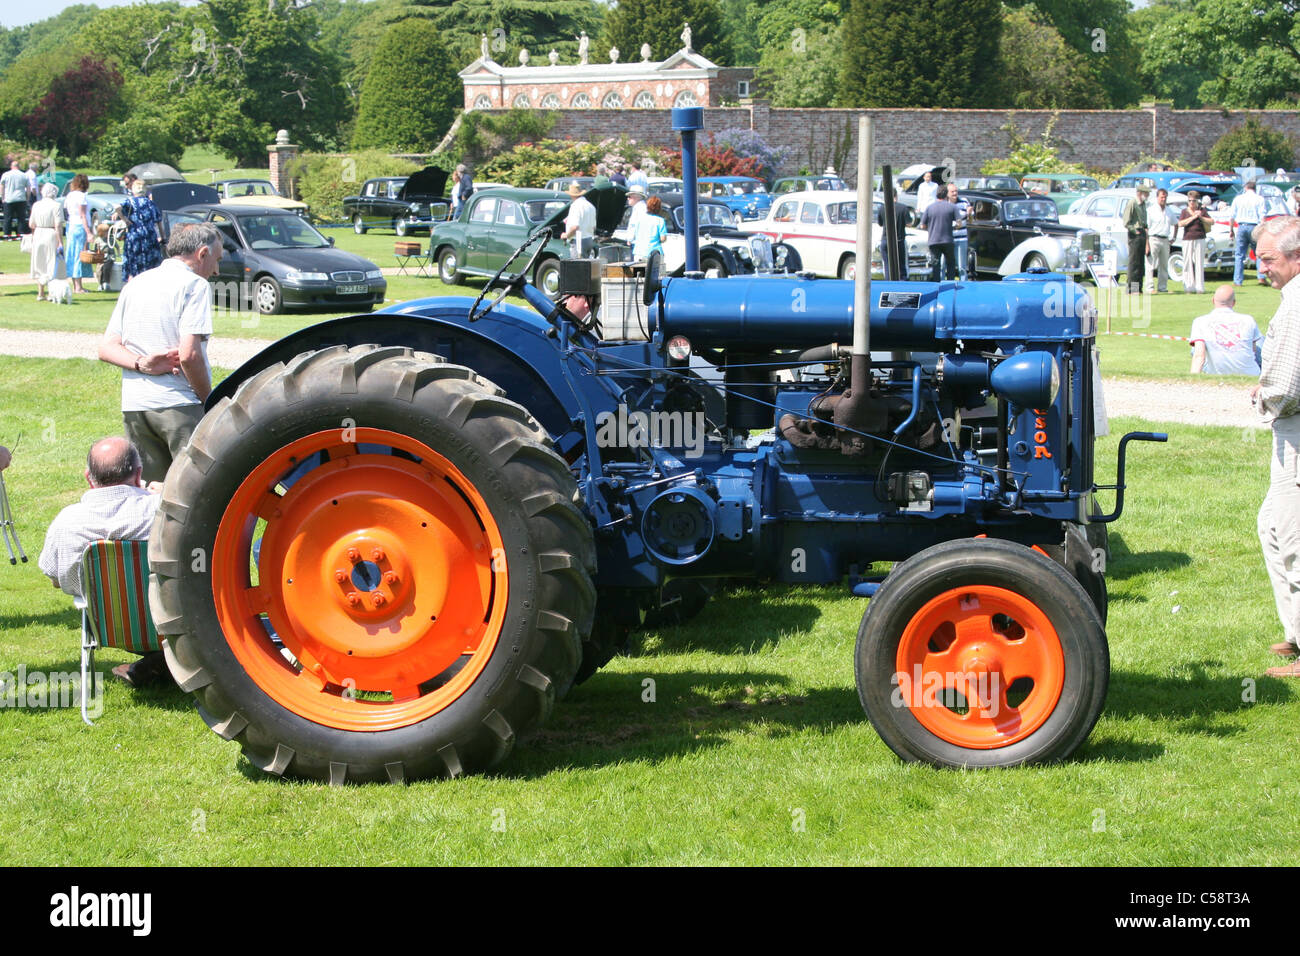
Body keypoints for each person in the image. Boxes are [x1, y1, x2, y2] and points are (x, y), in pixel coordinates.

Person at [37, 436, 169, 687]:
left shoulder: (68, 521)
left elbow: (56, 580)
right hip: (169, 622)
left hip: (108, 629)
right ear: (139, 473)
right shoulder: (162, 509)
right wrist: (170, 493)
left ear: (89, 477)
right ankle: (162, 661)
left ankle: (154, 665)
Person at [97, 223, 222, 483]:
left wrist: (141, 364)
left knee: (149, 492)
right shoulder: (195, 285)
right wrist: (208, 401)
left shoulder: (135, 284)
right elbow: (189, 355)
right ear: (202, 253)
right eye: (216, 259)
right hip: (180, 405)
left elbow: (106, 348)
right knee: (192, 490)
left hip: (136, 406)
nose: (217, 269)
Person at [1250, 216, 1300, 676]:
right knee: (1272, 525)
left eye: (1268, 258)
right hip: (1290, 432)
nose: (1261, 266)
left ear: (1295, 256)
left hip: (1296, 430)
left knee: (1293, 537)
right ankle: (1295, 632)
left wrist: (1260, 394)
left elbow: (1286, 386)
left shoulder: (1297, 302)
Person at [1189, 285, 1262, 374]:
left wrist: (1192, 380)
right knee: (1261, 341)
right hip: (1251, 372)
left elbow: (1199, 356)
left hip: (1217, 371)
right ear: (1234, 302)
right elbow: (1253, 351)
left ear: (1213, 301)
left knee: (1195, 348)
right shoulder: (1248, 320)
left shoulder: (1200, 321)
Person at [118, 179, 163, 281]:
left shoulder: (129, 201)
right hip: (149, 236)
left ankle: (132, 283)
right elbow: (159, 221)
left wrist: (125, 219)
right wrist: (162, 237)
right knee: (150, 264)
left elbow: (117, 207)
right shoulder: (150, 203)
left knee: (133, 263)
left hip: (134, 235)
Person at [27, 181, 62, 301]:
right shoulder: (56, 205)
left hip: (38, 233)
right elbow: (58, 225)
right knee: (51, 262)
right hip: (50, 233)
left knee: (39, 263)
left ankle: (40, 293)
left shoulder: (36, 205)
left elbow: (31, 224)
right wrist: (60, 241)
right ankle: (51, 293)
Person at [1230, 180, 1267, 286]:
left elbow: (1232, 216)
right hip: (1254, 226)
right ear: (1254, 188)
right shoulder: (1260, 199)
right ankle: (1261, 277)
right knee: (1258, 253)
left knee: (1239, 255)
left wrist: (1231, 229)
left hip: (1242, 226)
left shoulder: (1238, 199)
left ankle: (1237, 280)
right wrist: (1263, 230)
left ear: (1245, 188)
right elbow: (1262, 216)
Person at [919, 186, 958, 281]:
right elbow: (959, 223)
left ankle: (936, 284)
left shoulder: (929, 207)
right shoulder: (952, 207)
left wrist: (931, 227)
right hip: (948, 239)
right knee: (950, 264)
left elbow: (922, 225)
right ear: (946, 195)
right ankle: (950, 283)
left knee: (935, 265)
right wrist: (954, 226)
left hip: (933, 240)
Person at [63, 172, 93, 294]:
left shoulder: (69, 195)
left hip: (70, 226)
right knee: (79, 255)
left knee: (72, 254)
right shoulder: (81, 196)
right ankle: (78, 287)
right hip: (79, 226)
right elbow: (83, 215)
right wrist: (89, 232)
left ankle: (76, 284)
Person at [1178, 195, 1213, 294]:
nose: (1192, 203)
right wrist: (1193, 217)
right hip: (1188, 238)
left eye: (1194, 201)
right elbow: (1180, 223)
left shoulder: (1202, 210)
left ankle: (1199, 287)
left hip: (1200, 238)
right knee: (1187, 262)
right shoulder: (1184, 211)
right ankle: (1188, 286)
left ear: (1197, 201)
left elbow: (1211, 221)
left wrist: (1200, 217)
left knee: (1199, 262)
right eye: (1190, 201)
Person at [1147, 188, 1178, 293]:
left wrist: (1174, 237)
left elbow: (1176, 223)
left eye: (1165, 197)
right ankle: (1150, 287)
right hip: (1153, 238)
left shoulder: (1169, 210)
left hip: (1165, 239)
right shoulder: (1151, 210)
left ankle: (1162, 287)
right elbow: (1146, 228)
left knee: (1164, 265)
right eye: (1161, 197)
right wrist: (1146, 243)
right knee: (1150, 264)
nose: (1163, 199)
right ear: (1157, 197)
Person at [877, 190, 909, 280]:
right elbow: (909, 223)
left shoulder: (882, 208)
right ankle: (902, 284)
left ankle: (888, 283)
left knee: (887, 266)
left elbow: (880, 223)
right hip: (899, 240)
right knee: (902, 265)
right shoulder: (903, 208)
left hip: (885, 240)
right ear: (896, 195)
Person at [1123, 185, 1150, 294]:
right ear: (1139, 193)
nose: (1147, 195)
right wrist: (1135, 231)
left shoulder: (1143, 204)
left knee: (1140, 263)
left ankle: (1139, 288)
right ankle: (1132, 289)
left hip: (1142, 233)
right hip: (1135, 235)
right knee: (1134, 263)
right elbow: (1126, 222)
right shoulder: (1132, 203)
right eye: (1146, 193)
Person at [561, 181, 596, 257]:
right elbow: (593, 227)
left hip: (578, 242)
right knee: (587, 267)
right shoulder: (590, 206)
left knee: (577, 267)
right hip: (589, 240)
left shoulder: (575, 206)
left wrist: (566, 235)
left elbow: (575, 227)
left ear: (572, 195)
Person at [948, 183, 970, 280]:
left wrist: (969, 214)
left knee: (962, 266)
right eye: (952, 192)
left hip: (962, 238)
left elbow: (970, 219)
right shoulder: (945, 204)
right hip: (949, 239)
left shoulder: (964, 202)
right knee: (946, 265)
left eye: (956, 191)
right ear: (947, 193)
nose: (955, 193)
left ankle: (963, 284)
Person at [634, 194, 667, 261]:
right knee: (656, 271)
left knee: (639, 271)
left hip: (639, 252)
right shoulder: (660, 220)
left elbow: (636, 235)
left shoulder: (639, 219)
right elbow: (663, 239)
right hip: (655, 253)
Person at [1, 160, 28, 239]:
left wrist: (2, 197)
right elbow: (28, 188)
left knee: (8, 218)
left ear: (11, 166)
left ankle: (7, 235)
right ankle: (21, 234)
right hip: (21, 198)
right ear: (18, 166)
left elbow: (2, 186)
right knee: (21, 218)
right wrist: (27, 197)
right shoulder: (24, 175)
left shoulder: (6, 174)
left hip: (9, 199)